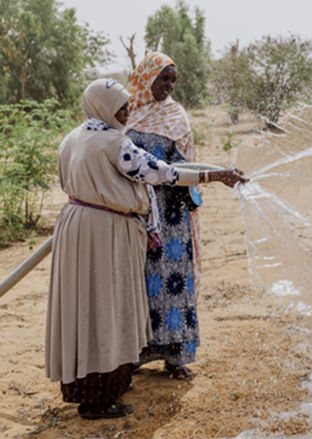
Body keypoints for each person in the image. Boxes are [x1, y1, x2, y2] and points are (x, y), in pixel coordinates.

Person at [46, 78, 246, 419]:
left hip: (75, 228)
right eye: (121, 108)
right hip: (106, 232)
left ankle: (90, 387)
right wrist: (215, 176)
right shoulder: (112, 142)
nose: (127, 114)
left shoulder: (72, 138)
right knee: (107, 308)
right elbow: (160, 173)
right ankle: (99, 398)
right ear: (104, 108)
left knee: (83, 307)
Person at [124, 52, 208, 380]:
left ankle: (176, 356)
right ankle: (134, 353)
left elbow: (186, 164)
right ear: (146, 78)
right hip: (136, 213)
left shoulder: (176, 117)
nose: (169, 87)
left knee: (174, 284)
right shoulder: (123, 112)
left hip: (172, 217)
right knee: (138, 282)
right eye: (164, 79)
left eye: (173, 80)